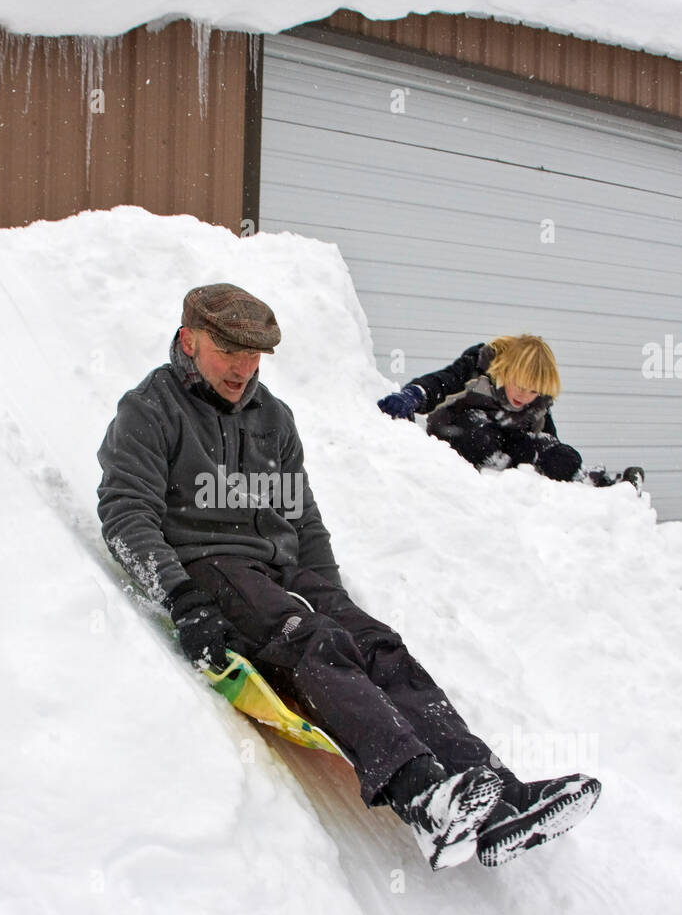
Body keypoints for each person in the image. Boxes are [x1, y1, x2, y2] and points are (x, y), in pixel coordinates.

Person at [97, 287, 600, 872]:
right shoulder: (151, 409)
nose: (242, 369)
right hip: (210, 565)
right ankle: (424, 799)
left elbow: (302, 516)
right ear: (189, 340)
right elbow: (125, 512)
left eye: (254, 355)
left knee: (377, 644)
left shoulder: (273, 418)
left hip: (284, 567)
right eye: (228, 351)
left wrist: (332, 594)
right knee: (315, 640)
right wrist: (183, 601)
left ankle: (490, 785)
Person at [378, 336, 644, 489]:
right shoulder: (477, 370)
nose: (523, 397)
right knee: (478, 434)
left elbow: (546, 439)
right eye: (520, 385)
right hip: (459, 430)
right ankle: (501, 474)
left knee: (556, 454)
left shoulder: (534, 404)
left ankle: (602, 483)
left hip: (507, 443)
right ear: (505, 371)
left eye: (533, 391)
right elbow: (440, 382)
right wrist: (414, 395)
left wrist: (558, 460)